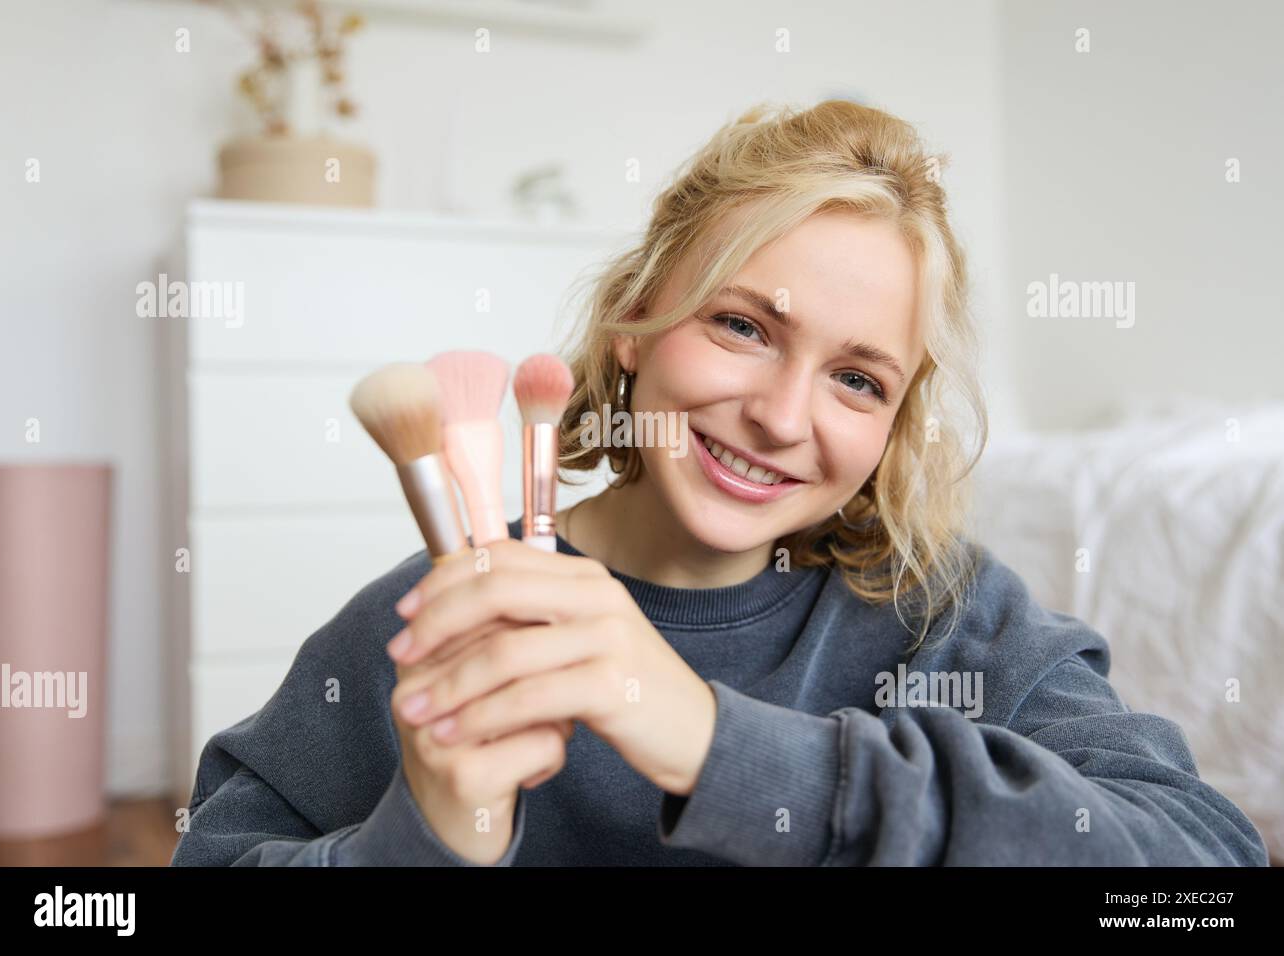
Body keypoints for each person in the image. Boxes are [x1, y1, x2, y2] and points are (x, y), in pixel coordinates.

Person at [170, 99, 1269, 867]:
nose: (783, 417)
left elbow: (1194, 864)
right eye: (742, 325)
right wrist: (428, 838)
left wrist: (715, 741)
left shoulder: (949, 623)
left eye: (855, 378)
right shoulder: (433, 618)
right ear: (632, 326)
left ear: (892, 427)